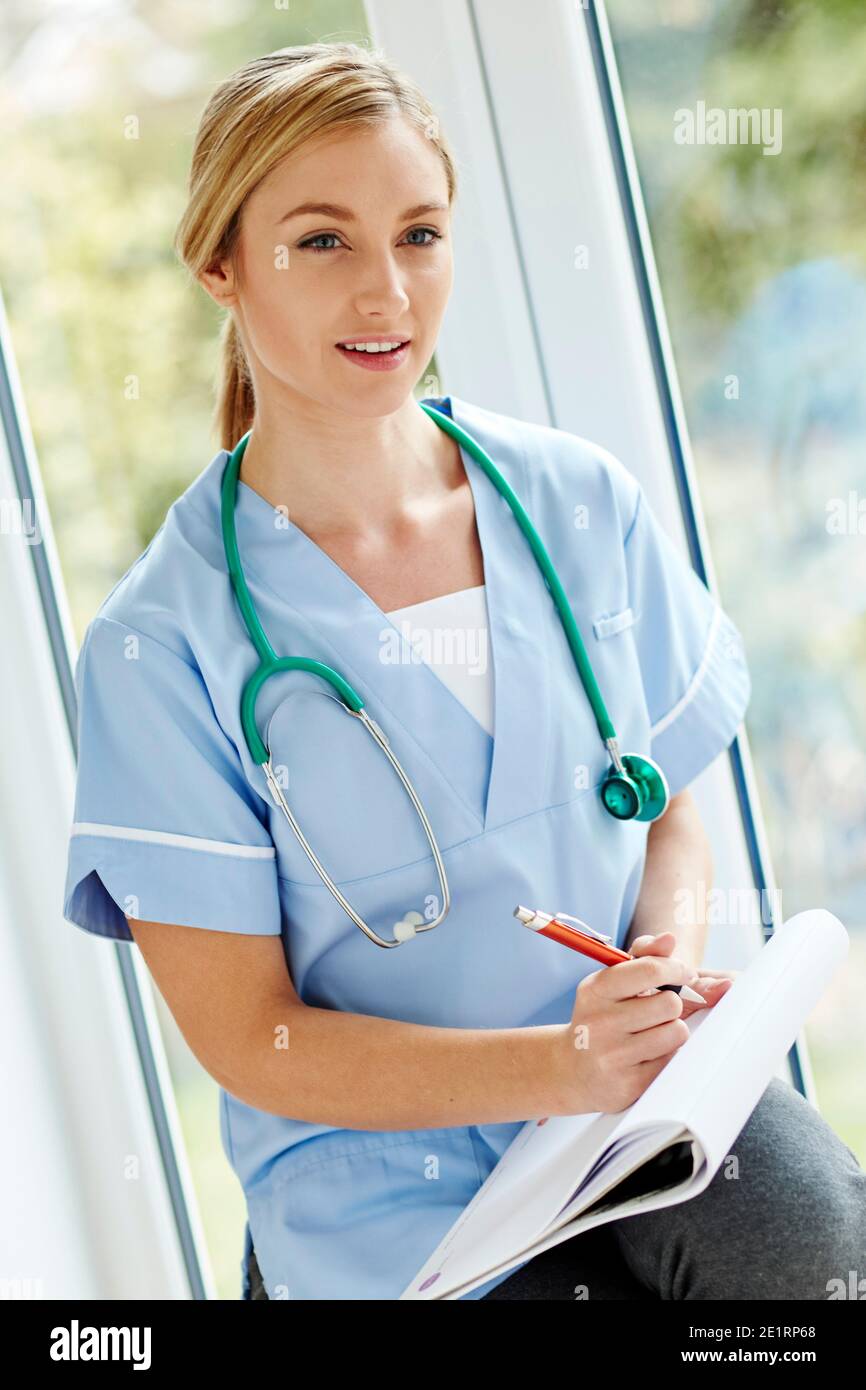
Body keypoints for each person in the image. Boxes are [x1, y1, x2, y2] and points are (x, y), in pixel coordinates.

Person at [62, 41, 866, 1301]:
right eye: (321, 242)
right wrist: (553, 1066)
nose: (386, 292)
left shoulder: (573, 500)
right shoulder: (161, 645)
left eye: (419, 234)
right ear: (218, 266)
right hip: (387, 1191)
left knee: (817, 1257)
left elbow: (666, 815)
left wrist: (649, 981)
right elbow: (251, 1039)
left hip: (624, 1106)